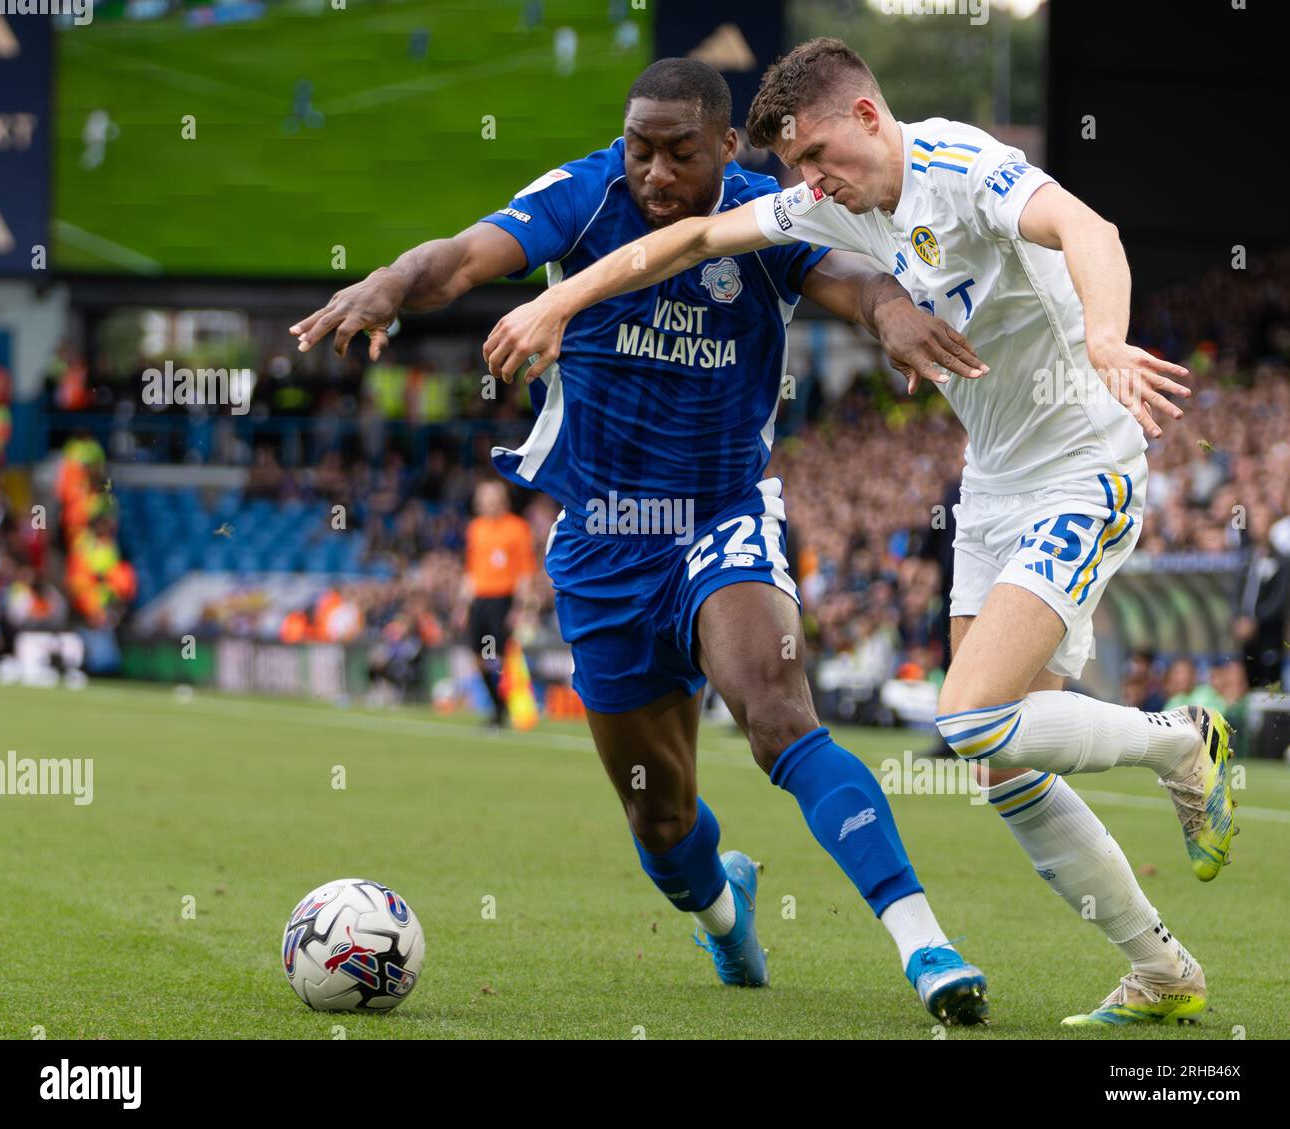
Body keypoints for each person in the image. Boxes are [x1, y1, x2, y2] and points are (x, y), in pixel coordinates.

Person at [483, 40, 1240, 1028]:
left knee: (966, 717)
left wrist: (1104, 335)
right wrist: (558, 297)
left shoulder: (962, 169)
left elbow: (1085, 226)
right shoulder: (831, 201)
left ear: (871, 118)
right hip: (996, 487)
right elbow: (688, 243)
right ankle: (1159, 967)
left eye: (816, 158)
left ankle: (1183, 741)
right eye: (795, 169)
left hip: (1084, 470)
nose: (807, 185)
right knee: (1001, 760)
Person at [293, 58, 995, 1025]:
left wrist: (894, 317)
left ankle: (927, 947)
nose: (656, 174)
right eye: (640, 150)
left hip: (723, 516)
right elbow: (457, 260)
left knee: (778, 711)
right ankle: (720, 907)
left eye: (679, 153)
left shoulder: (765, 213)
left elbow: (857, 278)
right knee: (660, 820)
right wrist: (383, 282)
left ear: (728, 149)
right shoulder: (584, 200)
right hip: (602, 543)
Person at [458, 480, 535, 728]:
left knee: (501, 657)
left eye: (490, 498)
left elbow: (525, 573)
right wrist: (462, 605)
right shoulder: (475, 528)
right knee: (477, 656)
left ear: (502, 500)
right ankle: (497, 705)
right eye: (482, 498)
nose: (485, 503)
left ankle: (508, 709)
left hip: (503, 599)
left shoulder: (517, 528)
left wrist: (519, 608)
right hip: (479, 599)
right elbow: (471, 570)